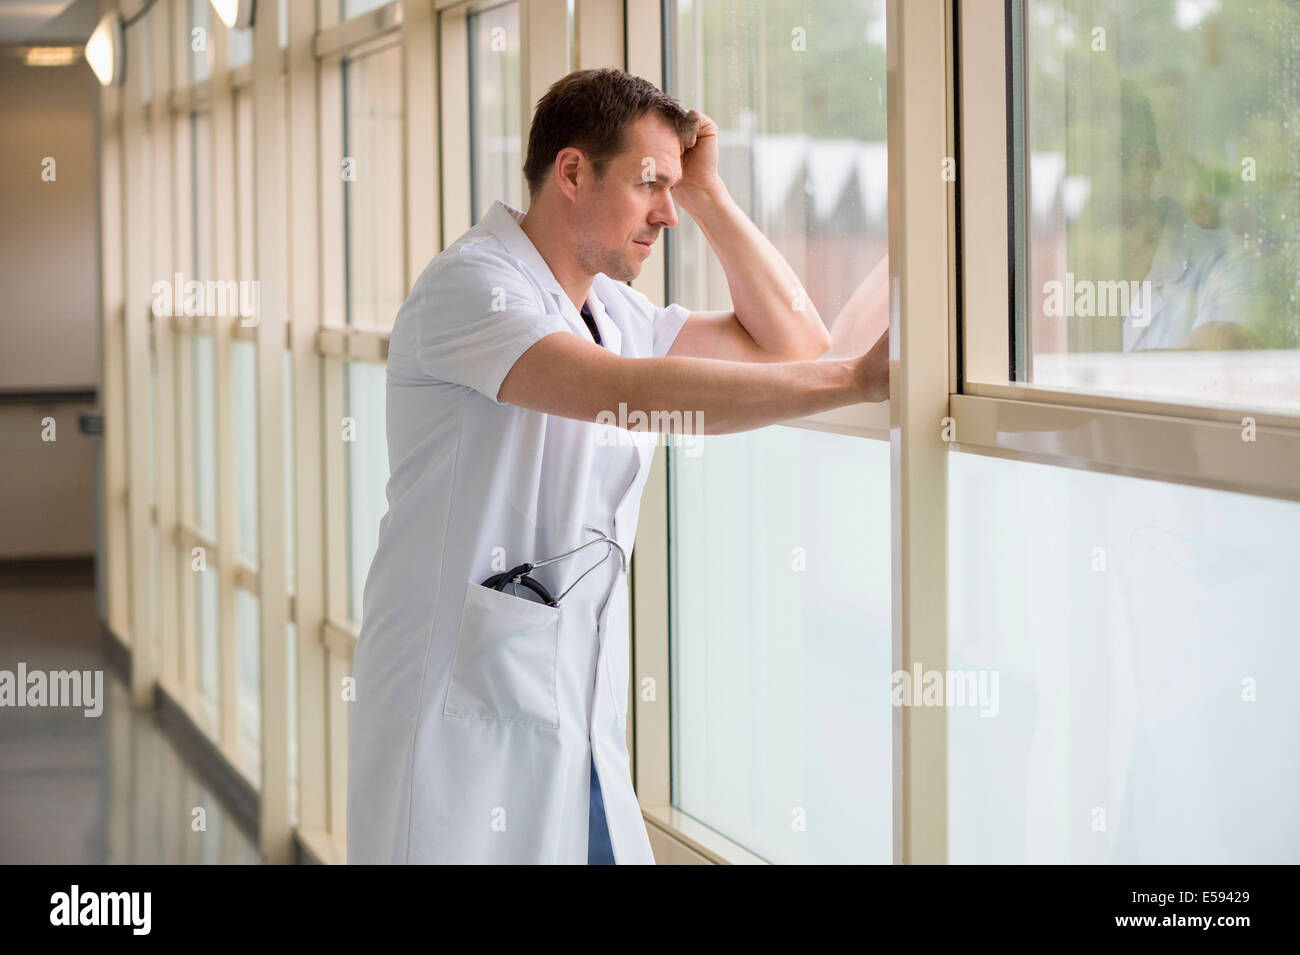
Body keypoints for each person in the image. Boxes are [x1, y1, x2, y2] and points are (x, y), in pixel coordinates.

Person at [345, 67, 888, 865]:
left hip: (573, 717)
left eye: (671, 190)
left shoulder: (613, 311)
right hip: (457, 721)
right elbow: (628, 393)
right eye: (649, 186)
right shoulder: (472, 290)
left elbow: (795, 341)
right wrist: (857, 381)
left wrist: (708, 195)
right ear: (571, 172)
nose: (664, 213)